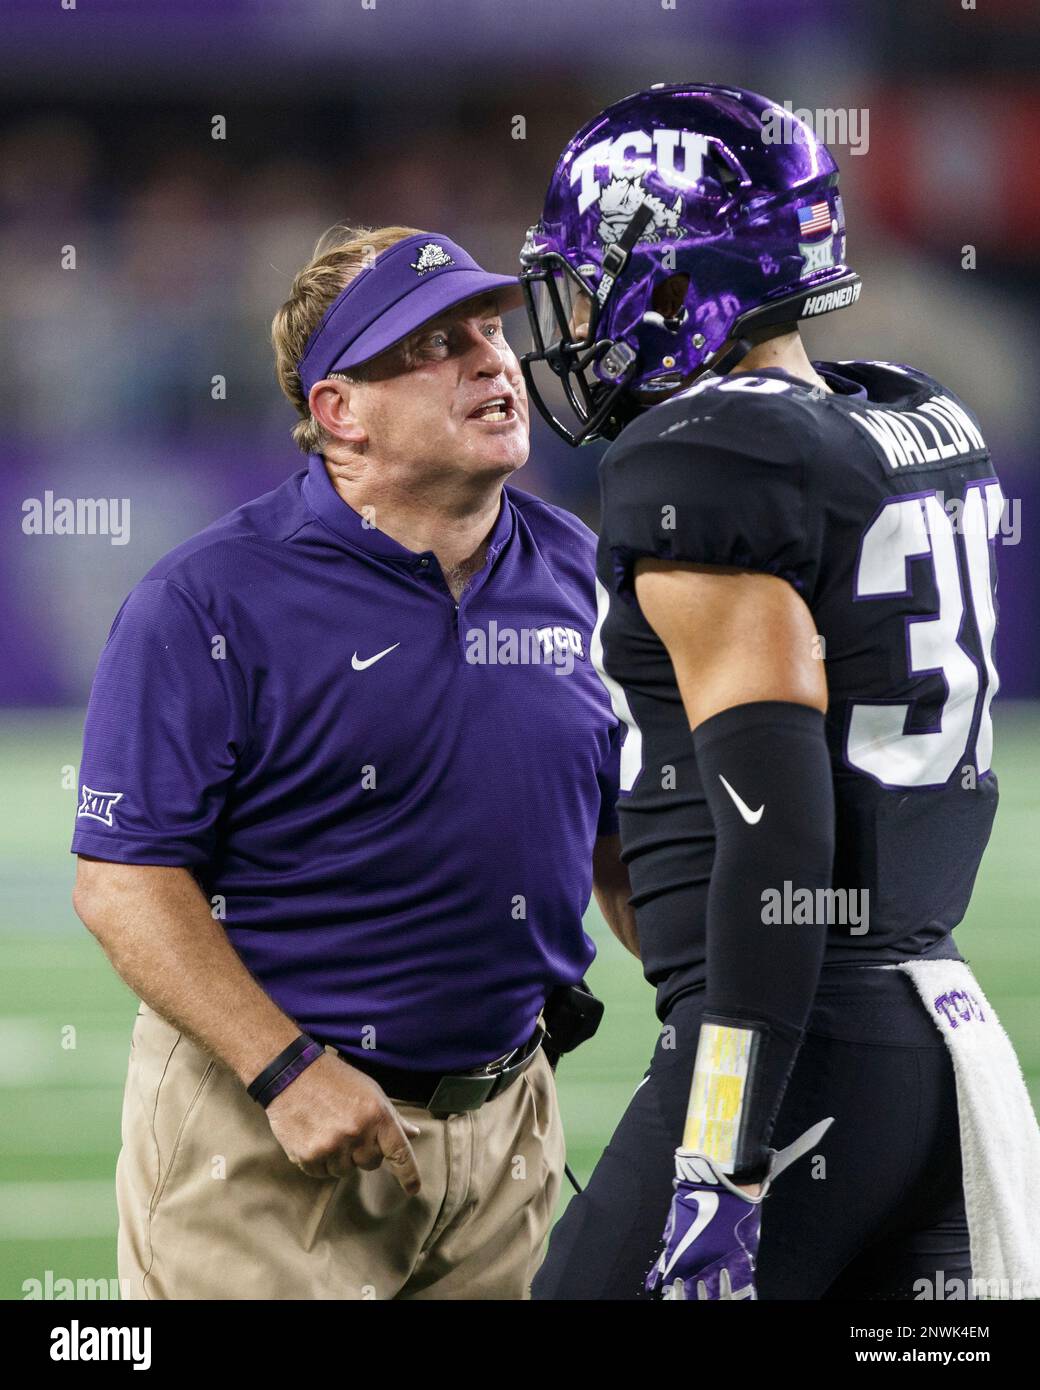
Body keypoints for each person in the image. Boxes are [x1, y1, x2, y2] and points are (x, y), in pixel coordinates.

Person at [519, 84, 1039, 1300]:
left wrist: (719, 1158)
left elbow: (778, 845)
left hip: (795, 1052)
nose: (579, 317)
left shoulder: (707, 455)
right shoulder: (903, 415)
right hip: (931, 1031)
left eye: (597, 277)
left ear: (672, 272)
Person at [71, 223, 635, 1300]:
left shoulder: (576, 565)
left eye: (485, 327)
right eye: (431, 344)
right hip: (268, 1130)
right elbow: (125, 879)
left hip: (508, 1120)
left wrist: (732, 1000)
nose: (488, 357)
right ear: (338, 412)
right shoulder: (210, 598)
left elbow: (620, 842)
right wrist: (285, 1069)